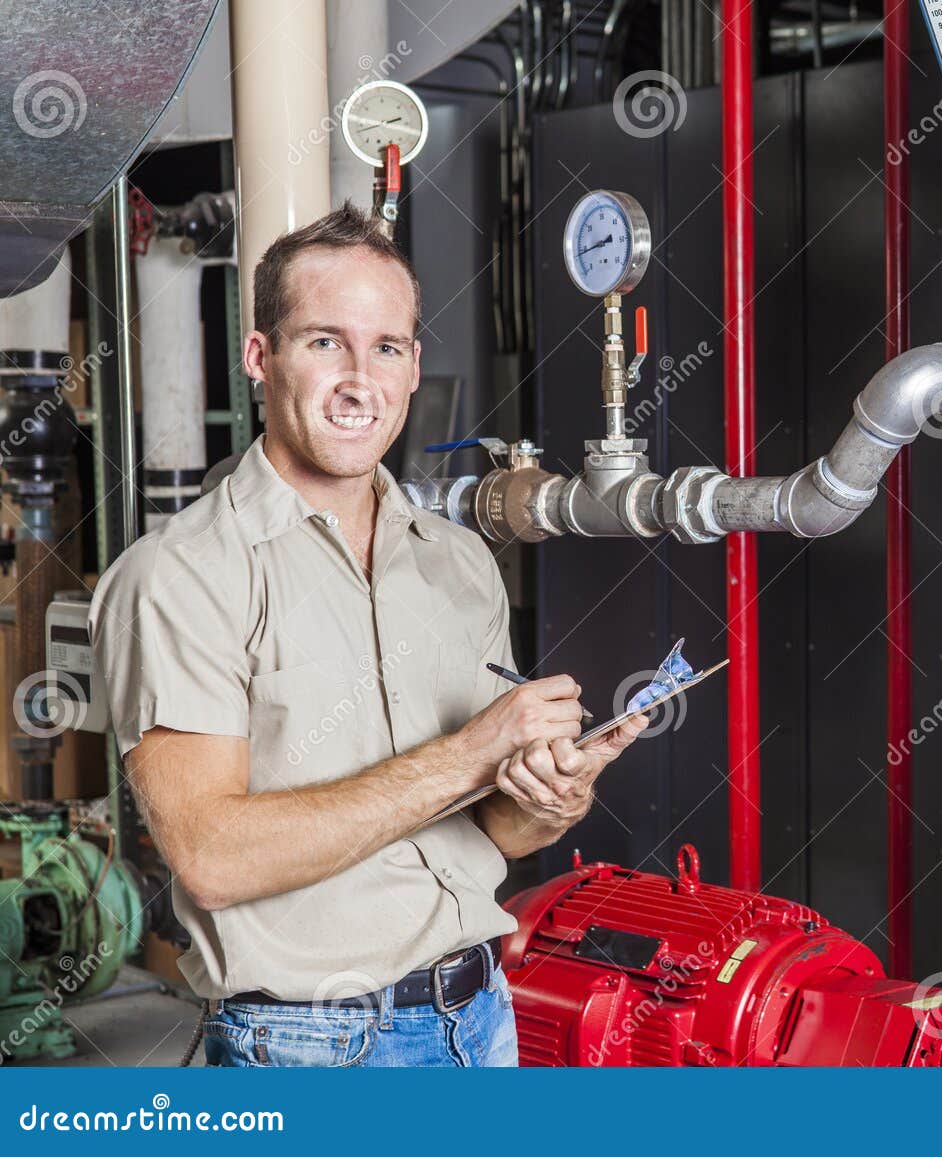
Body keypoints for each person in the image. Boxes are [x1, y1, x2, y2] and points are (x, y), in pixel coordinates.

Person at [88, 205, 646, 1067]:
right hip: (310, 1046)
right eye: (323, 342)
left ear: (415, 366)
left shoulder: (460, 564)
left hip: (480, 1017)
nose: (359, 379)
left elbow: (491, 832)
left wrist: (551, 796)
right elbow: (211, 858)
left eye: (386, 347)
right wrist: (469, 752)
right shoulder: (180, 576)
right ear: (259, 358)